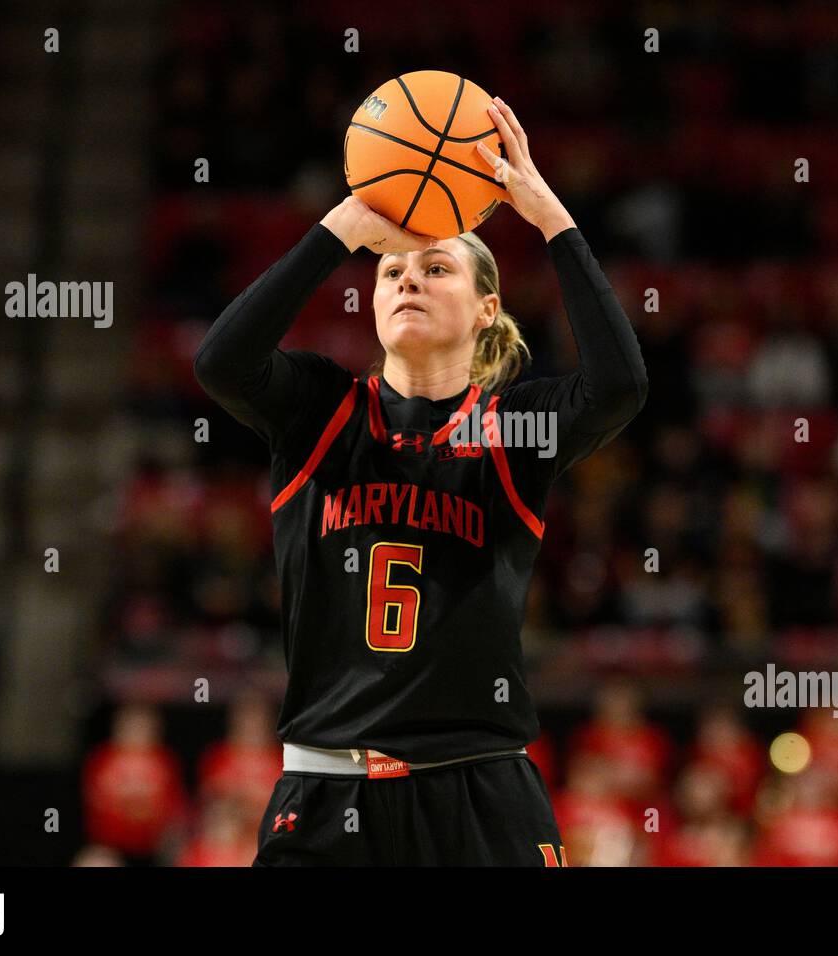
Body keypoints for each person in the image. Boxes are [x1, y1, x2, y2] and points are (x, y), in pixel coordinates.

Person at [193, 95, 648, 865]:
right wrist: (340, 227)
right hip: (328, 790)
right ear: (371, 300)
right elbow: (220, 362)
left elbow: (619, 388)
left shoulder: (513, 430)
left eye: (437, 268)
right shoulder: (320, 411)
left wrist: (550, 219)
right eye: (392, 270)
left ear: (486, 309)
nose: (408, 280)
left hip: (479, 791)